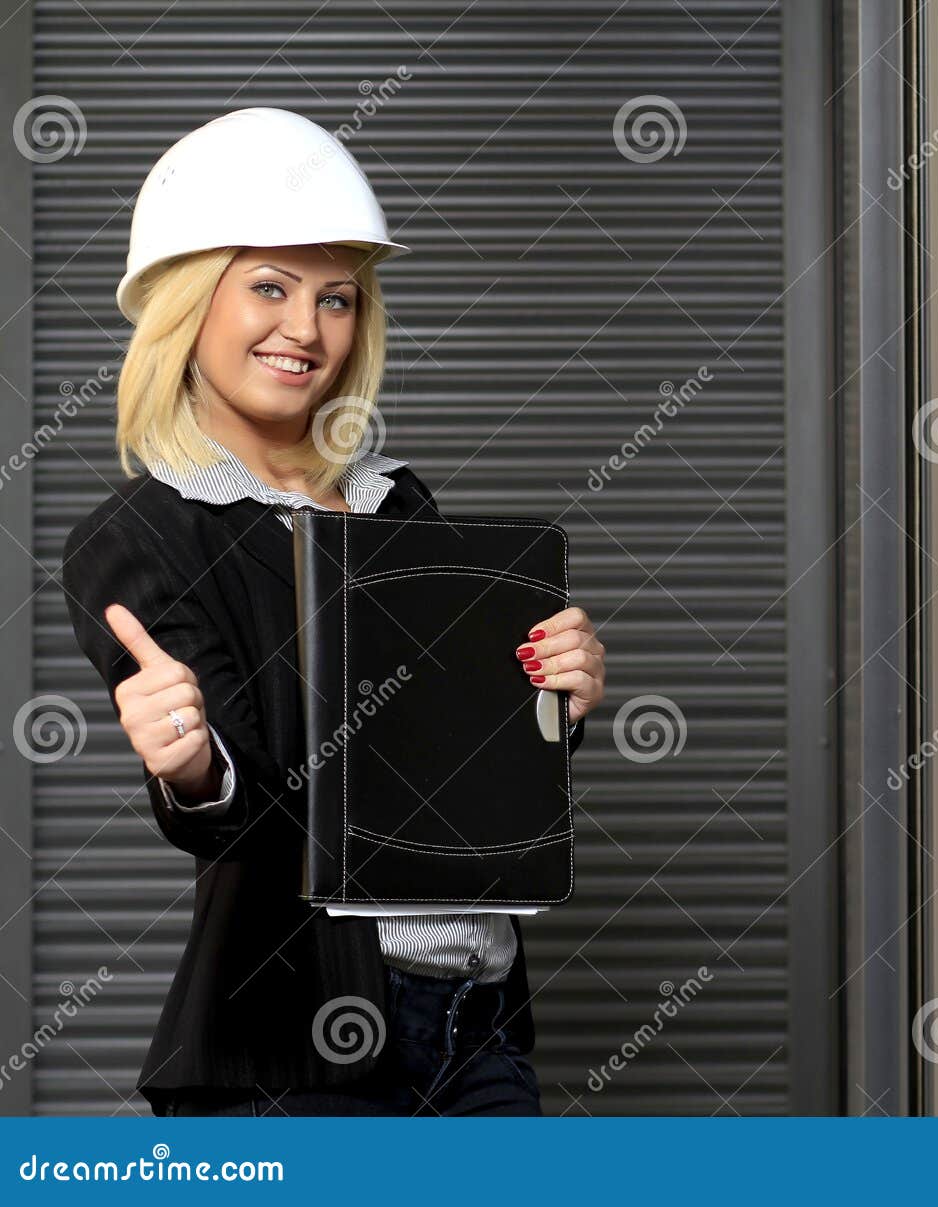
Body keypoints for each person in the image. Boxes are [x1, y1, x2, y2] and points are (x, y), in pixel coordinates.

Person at [59, 108, 606, 1117]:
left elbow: (447, 763)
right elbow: (243, 811)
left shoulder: (396, 501)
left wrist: (547, 703)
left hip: (478, 1018)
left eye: (336, 297)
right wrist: (192, 769)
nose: (306, 330)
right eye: (269, 286)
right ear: (189, 303)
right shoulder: (144, 534)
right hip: (297, 1050)